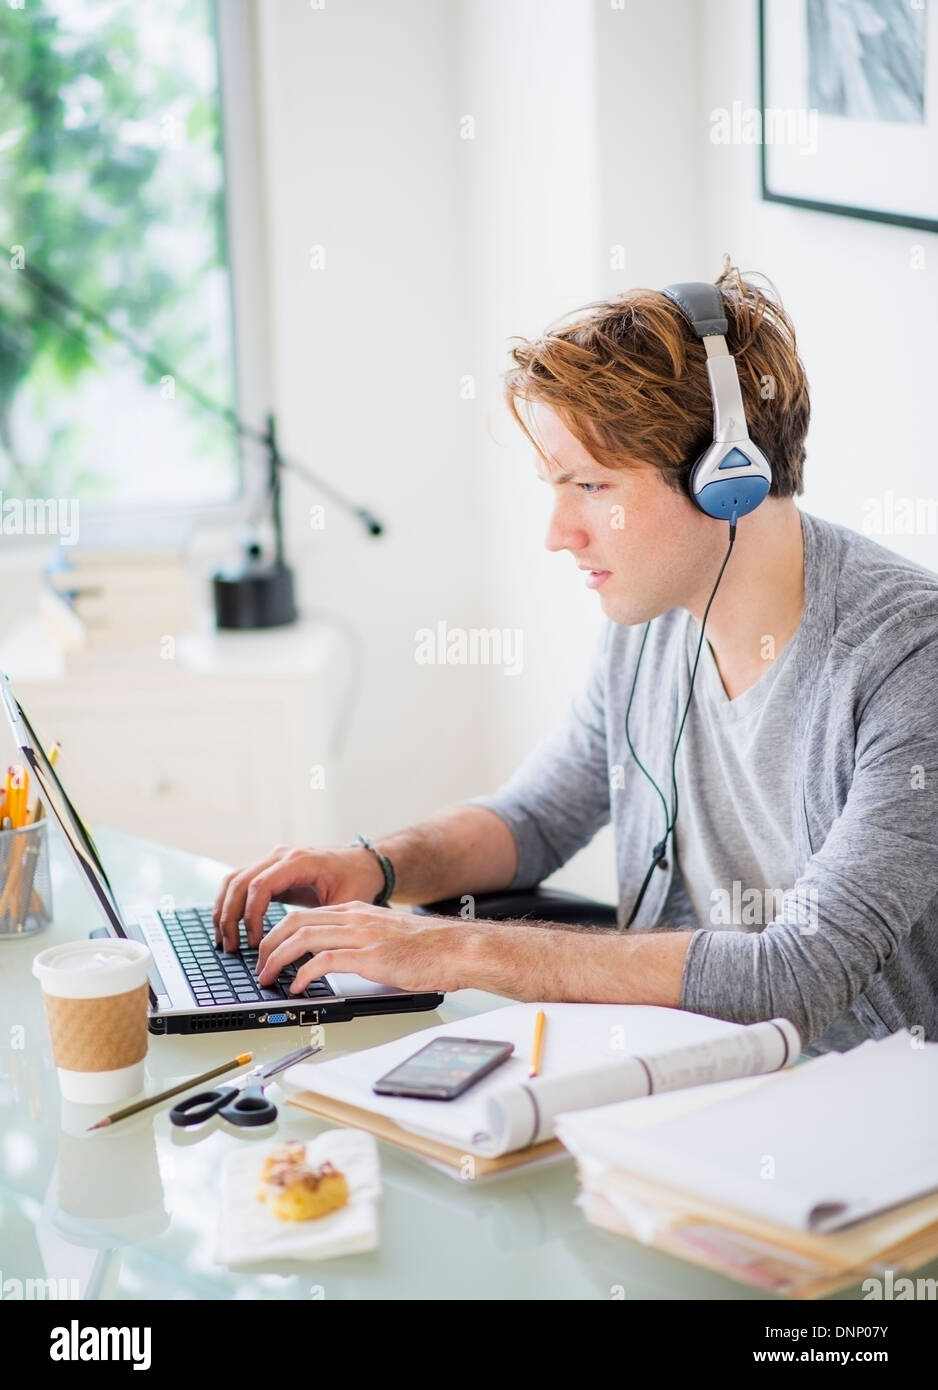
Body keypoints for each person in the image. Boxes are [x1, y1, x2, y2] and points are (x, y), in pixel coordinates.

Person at [212, 265, 938, 1057]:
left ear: (727, 481)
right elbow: (537, 818)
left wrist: (454, 950)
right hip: (682, 1068)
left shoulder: (908, 660)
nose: (559, 533)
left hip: (870, 1116)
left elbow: (797, 971)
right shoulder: (651, 616)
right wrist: (372, 867)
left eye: (590, 486)